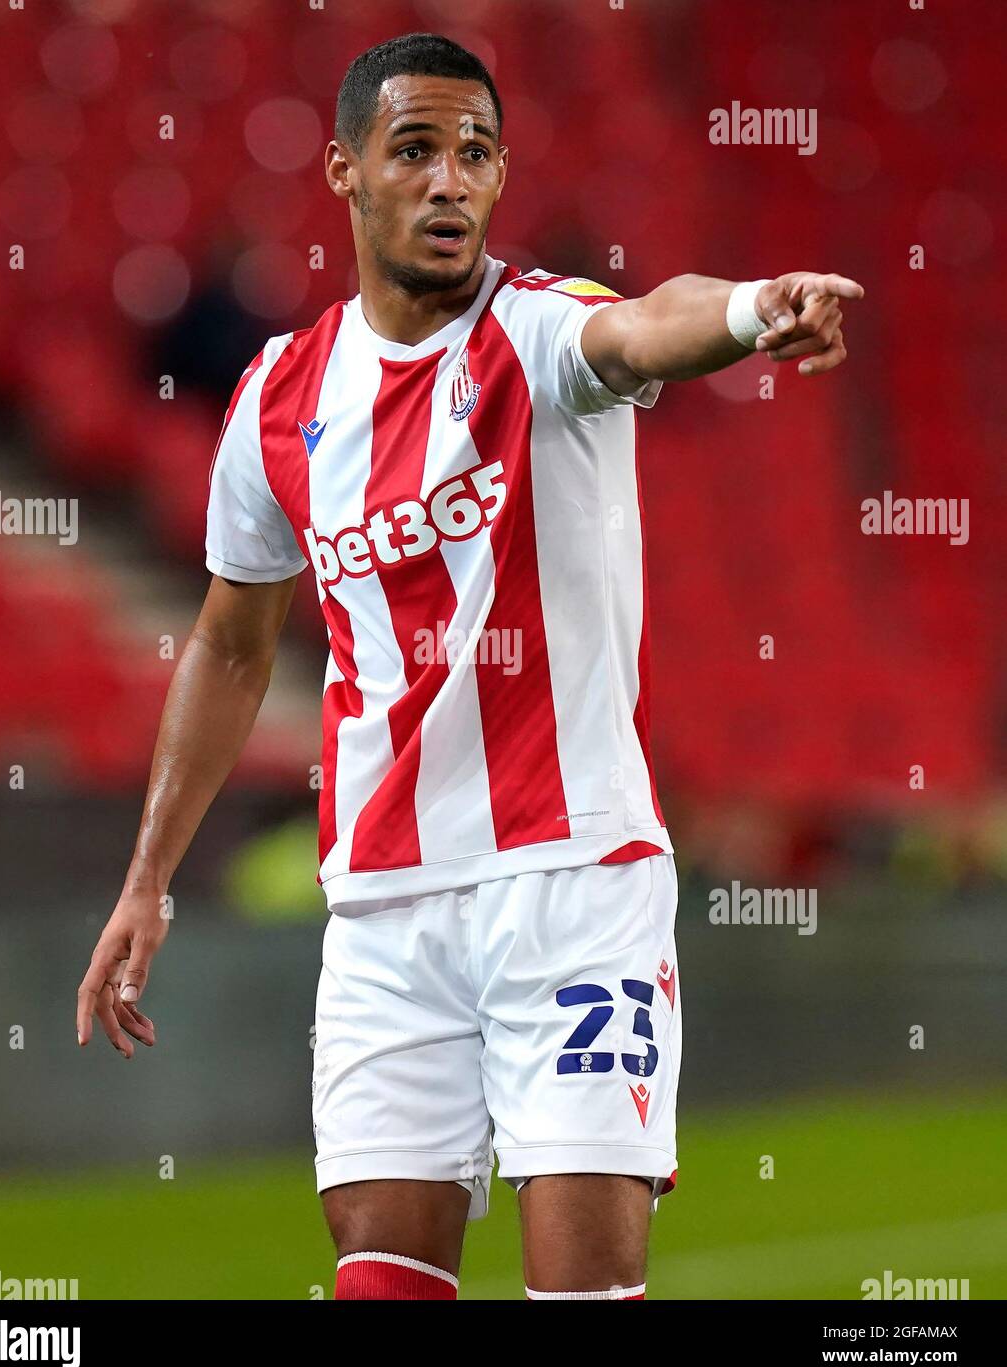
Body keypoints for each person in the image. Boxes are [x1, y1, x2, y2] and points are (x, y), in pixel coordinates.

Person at [77, 31, 863, 1301]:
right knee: (381, 1283)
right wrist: (148, 877)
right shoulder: (280, 399)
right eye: (417, 150)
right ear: (344, 170)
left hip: (573, 886)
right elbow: (230, 641)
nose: (451, 180)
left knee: (579, 1292)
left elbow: (649, 329)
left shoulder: (544, 335)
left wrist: (750, 310)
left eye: (478, 154)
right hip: (387, 906)